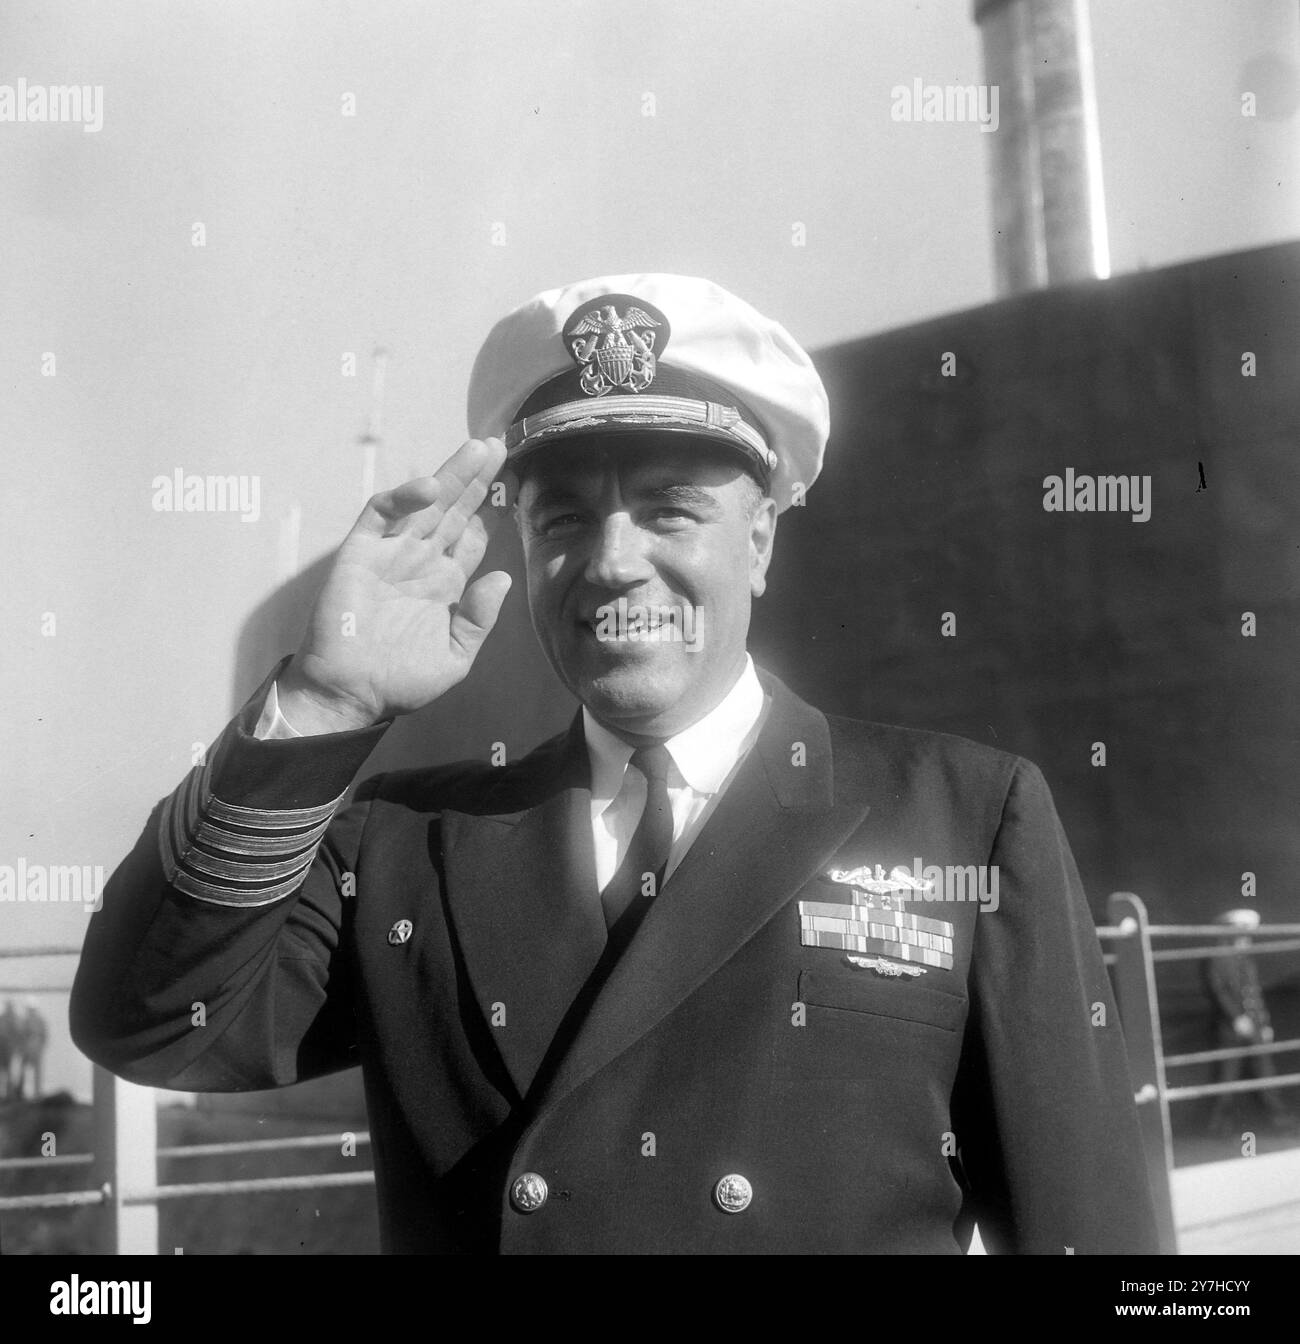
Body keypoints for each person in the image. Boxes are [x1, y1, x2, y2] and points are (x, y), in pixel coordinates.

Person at [71, 273, 1159, 1254]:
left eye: (670, 510)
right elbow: (156, 1025)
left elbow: (1090, 1233)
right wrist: (321, 702)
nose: (610, 562)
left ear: (761, 540)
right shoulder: (402, 848)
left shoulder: (960, 816)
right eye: (563, 520)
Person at [1203, 908, 1297, 1137]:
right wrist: (1236, 1018)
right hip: (1231, 1027)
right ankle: (1218, 1126)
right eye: (1242, 930)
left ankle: (1279, 1118)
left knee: (1266, 1071)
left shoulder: (1245, 957)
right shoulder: (1217, 958)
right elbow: (1218, 992)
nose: (1247, 935)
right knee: (1228, 1074)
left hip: (1254, 1024)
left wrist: (1263, 1023)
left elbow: (1254, 993)